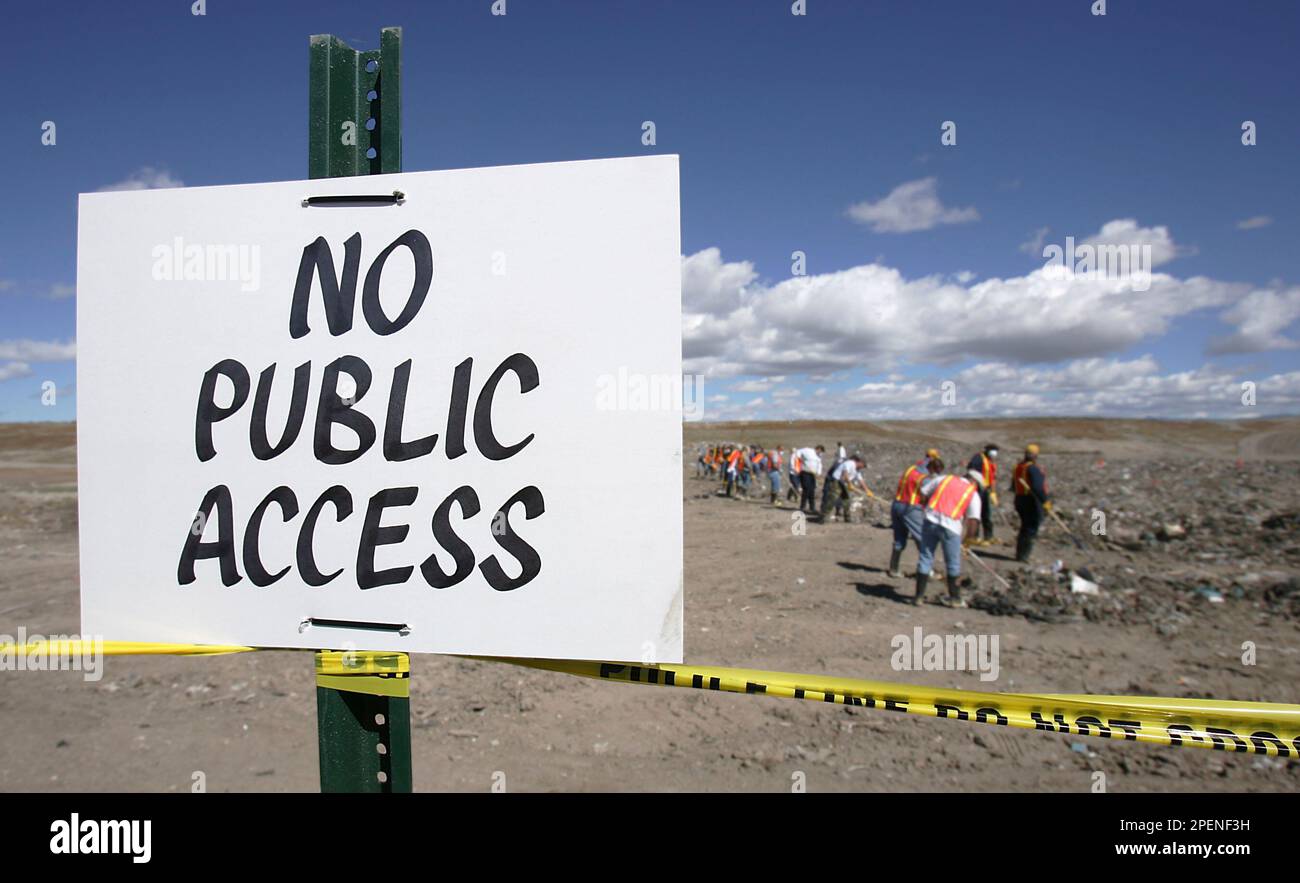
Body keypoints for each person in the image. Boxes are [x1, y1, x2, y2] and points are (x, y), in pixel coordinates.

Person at [913, 469, 983, 607]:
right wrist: (968, 541)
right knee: (953, 563)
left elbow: (923, 492)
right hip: (951, 528)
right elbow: (973, 520)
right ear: (974, 482)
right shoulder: (972, 493)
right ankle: (955, 599)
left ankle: (918, 597)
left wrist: (925, 507)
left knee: (925, 558)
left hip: (930, 520)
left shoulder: (944, 479)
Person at [887, 454, 941, 578]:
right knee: (922, 538)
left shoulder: (911, 469)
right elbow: (928, 498)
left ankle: (893, 569)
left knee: (899, 539)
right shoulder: (924, 479)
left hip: (896, 506)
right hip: (910, 508)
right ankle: (927, 571)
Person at [1011, 443, 1050, 563]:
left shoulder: (1018, 466)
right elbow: (1037, 487)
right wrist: (1045, 501)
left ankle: (1020, 553)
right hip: (1030, 501)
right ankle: (1024, 556)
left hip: (1019, 499)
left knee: (1024, 526)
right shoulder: (1033, 468)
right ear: (1035, 455)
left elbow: (1013, 485)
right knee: (1031, 527)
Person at [821, 453, 874, 522]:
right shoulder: (850, 463)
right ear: (860, 462)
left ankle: (847, 518)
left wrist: (867, 490)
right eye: (863, 466)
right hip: (836, 482)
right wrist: (850, 484)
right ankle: (823, 517)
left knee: (847, 500)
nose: (863, 467)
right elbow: (844, 474)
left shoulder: (857, 470)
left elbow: (861, 480)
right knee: (832, 499)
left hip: (844, 484)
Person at [966, 444, 1000, 543]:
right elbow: (971, 470)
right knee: (977, 513)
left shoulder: (991, 462)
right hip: (978, 489)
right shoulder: (978, 458)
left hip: (986, 490)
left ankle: (988, 536)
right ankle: (974, 537)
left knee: (986, 514)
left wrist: (993, 492)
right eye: (992, 450)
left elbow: (993, 477)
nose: (994, 453)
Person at [792, 444, 824, 514]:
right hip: (805, 472)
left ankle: (812, 507)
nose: (820, 453)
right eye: (820, 451)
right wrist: (798, 457)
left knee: (812, 490)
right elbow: (797, 453)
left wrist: (818, 473)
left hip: (813, 474)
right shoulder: (807, 450)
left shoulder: (818, 457)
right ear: (818, 448)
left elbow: (819, 465)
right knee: (806, 489)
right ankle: (802, 506)